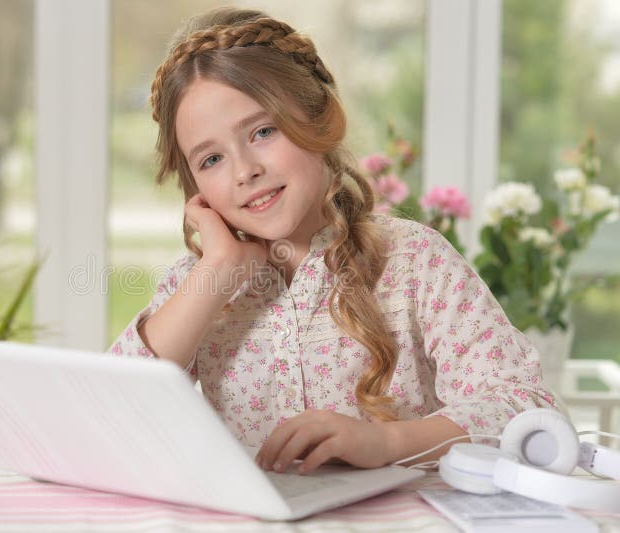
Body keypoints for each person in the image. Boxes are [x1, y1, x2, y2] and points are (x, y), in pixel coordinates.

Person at [109, 6, 557, 475]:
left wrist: (388, 441)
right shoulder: (200, 283)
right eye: (211, 159)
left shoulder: (413, 261)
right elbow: (108, 416)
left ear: (322, 121)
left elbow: (528, 409)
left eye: (263, 131)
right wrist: (220, 269)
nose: (245, 171)